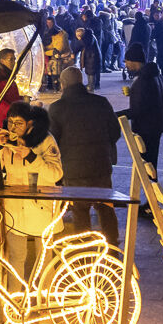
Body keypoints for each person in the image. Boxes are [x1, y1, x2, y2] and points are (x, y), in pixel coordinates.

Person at [49, 66, 122, 243]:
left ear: (63, 83)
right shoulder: (101, 102)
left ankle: (83, 247)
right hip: (101, 165)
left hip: (73, 168)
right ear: (81, 81)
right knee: (105, 206)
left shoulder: (57, 108)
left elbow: (53, 141)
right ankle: (112, 243)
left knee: (80, 210)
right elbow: (115, 132)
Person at [0, 102, 62, 282]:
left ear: (30, 123)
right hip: (15, 208)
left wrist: (31, 157)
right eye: (10, 122)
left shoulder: (45, 140)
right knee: (16, 258)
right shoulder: (8, 141)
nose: (13, 127)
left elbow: (55, 173)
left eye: (18, 123)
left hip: (41, 207)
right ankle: (13, 302)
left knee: (44, 260)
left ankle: (45, 301)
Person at [121, 45, 163, 181]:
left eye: (126, 61)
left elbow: (137, 111)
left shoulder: (142, 80)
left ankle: (151, 197)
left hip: (146, 127)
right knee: (151, 163)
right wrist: (133, 93)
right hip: (156, 125)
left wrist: (115, 115)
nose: (126, 64)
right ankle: (151, 196)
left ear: (133, 61)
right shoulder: (154, 74)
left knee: (147, 164)